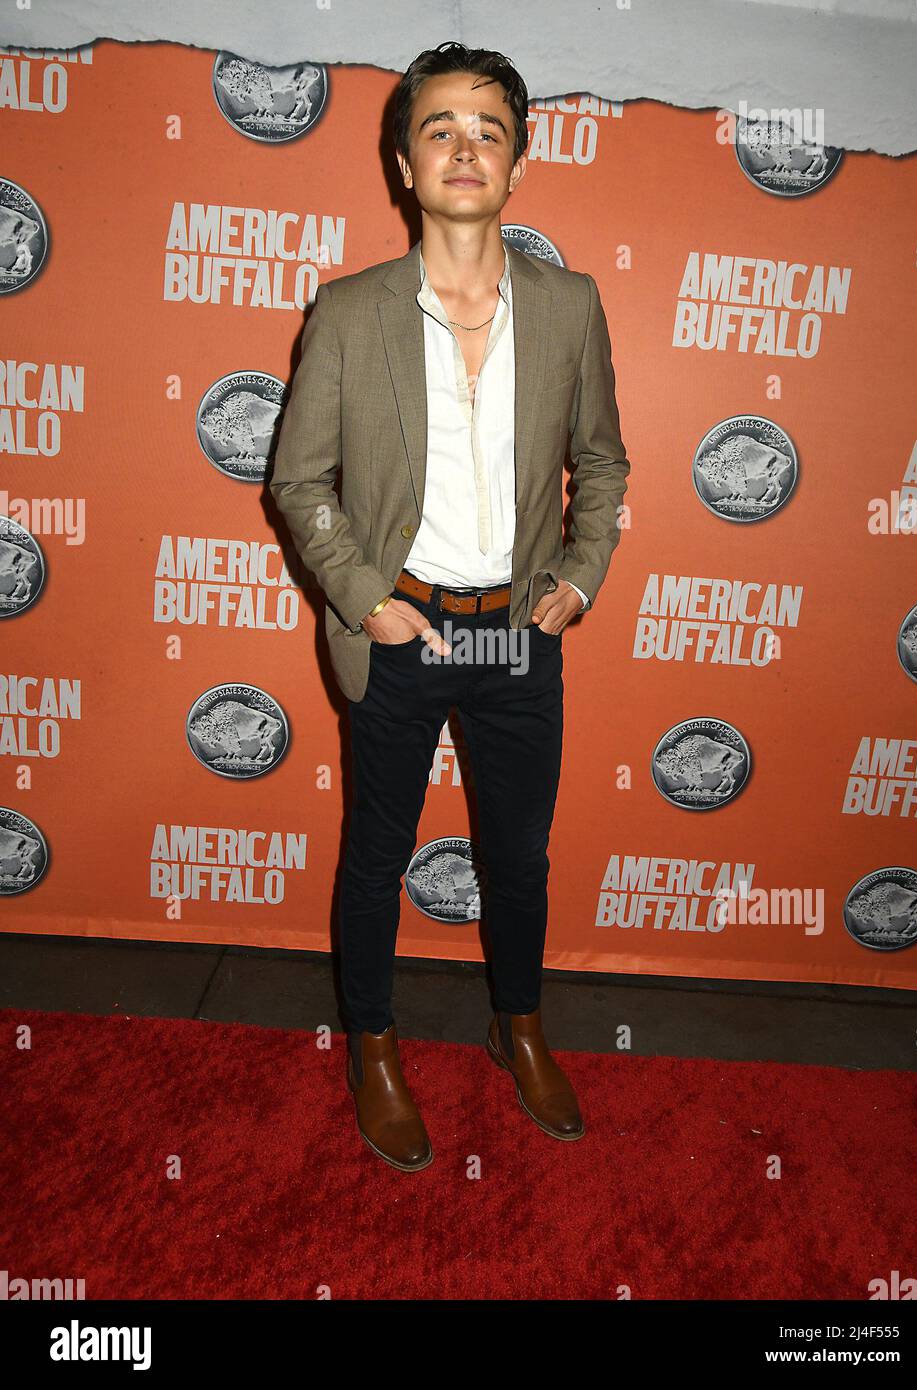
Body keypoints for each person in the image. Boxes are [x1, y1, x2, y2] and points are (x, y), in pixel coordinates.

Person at [269, 41, 629, 1172]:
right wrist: (367, 599)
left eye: (488, 129)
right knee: (377, 851)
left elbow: (603, 462)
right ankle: (371, 1046)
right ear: (402, 160)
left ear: (517, 162)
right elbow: (295, 480)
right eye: (440, 128)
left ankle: (516, 1025)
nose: (464, 147)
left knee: (517, 856)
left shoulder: (569, 308)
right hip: (402, 629)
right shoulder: (348, 311)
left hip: (518, 632)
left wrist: (577, 577)